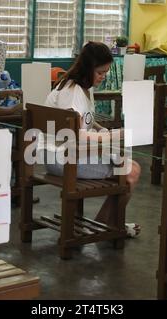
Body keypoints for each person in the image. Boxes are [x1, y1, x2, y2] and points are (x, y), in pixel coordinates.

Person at [44, 41, 142, 237]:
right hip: (62, 159)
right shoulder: (73, 93)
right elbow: (75, 134)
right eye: (100, 73)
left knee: (128, 169)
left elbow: (84, 121)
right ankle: (104, 226)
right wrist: (116, 134)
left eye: (106, 72)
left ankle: (105, 224)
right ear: (88, 68)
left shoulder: (77, 85)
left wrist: (100, 128)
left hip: (64, 155)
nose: (103, 77)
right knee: (131, 172)